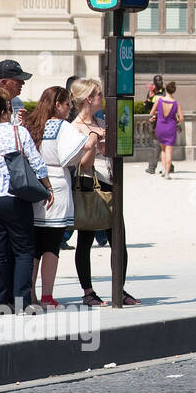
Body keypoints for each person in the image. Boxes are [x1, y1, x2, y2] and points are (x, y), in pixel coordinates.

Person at [69, 78, 136, 307]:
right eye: (98, 93)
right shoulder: (75, 127)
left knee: (119, 239)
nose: (102, 96)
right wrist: (95, 141)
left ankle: (119, 288)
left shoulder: (101, 120)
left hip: (109, 182)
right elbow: (83, 164)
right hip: (89, 183)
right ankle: (88, 291)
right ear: (89, 98)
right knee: (85, 239)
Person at [25, 87, 94, 308]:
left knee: (34, 246)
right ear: (57, 105)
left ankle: (30, 294)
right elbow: (79, 151)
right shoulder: (61, 126)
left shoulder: (32, 124)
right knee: (51, 246)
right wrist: (94, 134)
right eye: (67, 105)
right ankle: (47, 296)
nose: (69, 110)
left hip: (34, 186)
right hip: (56, 183)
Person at [0, 87, 53, 313]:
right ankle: (22, 300)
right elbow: (37, 163)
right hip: (15, 196)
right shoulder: (17, 133)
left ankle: (1, 300)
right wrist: (48, 187)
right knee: (23, 250)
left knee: (0, 251)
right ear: (5, 110)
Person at [149, 81, 183, 179]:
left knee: (163, 150)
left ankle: (164, 170)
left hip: (160, 127)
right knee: (169, 151)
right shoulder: (176, 103)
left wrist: (158, 115)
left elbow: (151, 113)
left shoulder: (159, 101)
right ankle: (167, 174)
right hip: (171, 128)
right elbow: (181, 118)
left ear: (165, 90)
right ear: (173, 91)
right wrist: (175, 119)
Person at [0, 59, 33, 126]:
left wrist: (26, 121)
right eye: (18, 80)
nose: (23, 83)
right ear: (4, 82)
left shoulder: (17, 101)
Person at [142, 74, 163, 174]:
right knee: (158, 144)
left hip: (163, 121)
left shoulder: (164, 92)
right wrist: (148, 100)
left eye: (161, 80)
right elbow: (147, 107)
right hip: (155, 122)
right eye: (158, 81)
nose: (160, 82)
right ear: (154, 82)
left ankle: (152, 167)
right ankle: (167, 166)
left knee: (159, 145)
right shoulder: (151, 93)